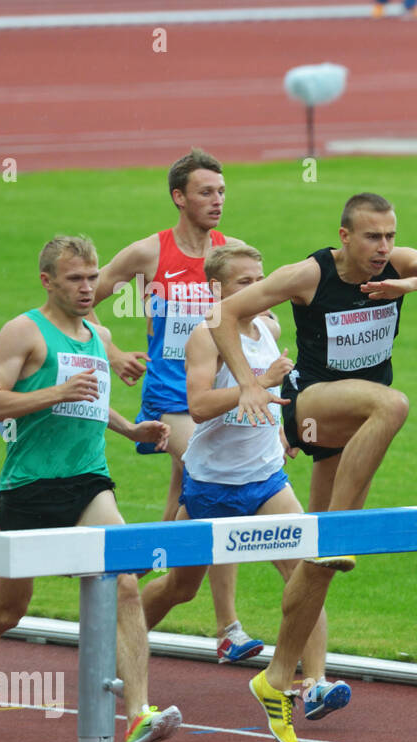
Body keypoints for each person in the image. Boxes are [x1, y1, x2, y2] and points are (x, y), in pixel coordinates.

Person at [211, 192, 417, 742]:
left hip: (352, 420)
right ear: (344, 237)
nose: (383, 248)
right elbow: (224, 314)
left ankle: (278, 675)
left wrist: (410, 285)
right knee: (394, 404)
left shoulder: (401, 265)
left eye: (389, 236)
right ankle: (343, 529)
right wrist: (246, 385)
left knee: (317, 565)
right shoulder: (309, 274)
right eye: (371, 238)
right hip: (313, 402)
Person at [0, 236, 180, 742]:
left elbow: (90, 400)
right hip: (29, 486)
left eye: (92, 277)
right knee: (8, 609)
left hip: (88, 481)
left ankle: (138, 713)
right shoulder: (24, 331)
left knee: (125, 581)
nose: (88, 288)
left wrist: (130, 430)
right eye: (75, 279)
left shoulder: (99, 333)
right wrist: (53, 393)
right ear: (48, 281)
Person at [138, 242, 352, 720]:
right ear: (216, 290)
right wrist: (256, 381)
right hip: (211, 485)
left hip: (265, 480)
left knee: (308, 573)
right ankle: (120, 638)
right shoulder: (205, 335)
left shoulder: (271, 327)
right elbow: (198, 406)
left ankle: (315, 682)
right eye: (244, 283)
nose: (258, 290)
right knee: (180, 587)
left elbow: (275, 392)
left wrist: (285, 430)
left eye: (260, 280)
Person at [92, 148, 255, 660]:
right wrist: (113, 351)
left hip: (214, 399)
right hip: (169, 400)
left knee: (192, 508)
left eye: (223, 191)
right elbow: (78, 305)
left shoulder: (232, 254)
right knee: (217, 482)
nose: (217, 201)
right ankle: (229, 627)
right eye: (206, 192)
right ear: (178, 197)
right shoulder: (148, 253)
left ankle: (143, 574)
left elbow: (256, 319)